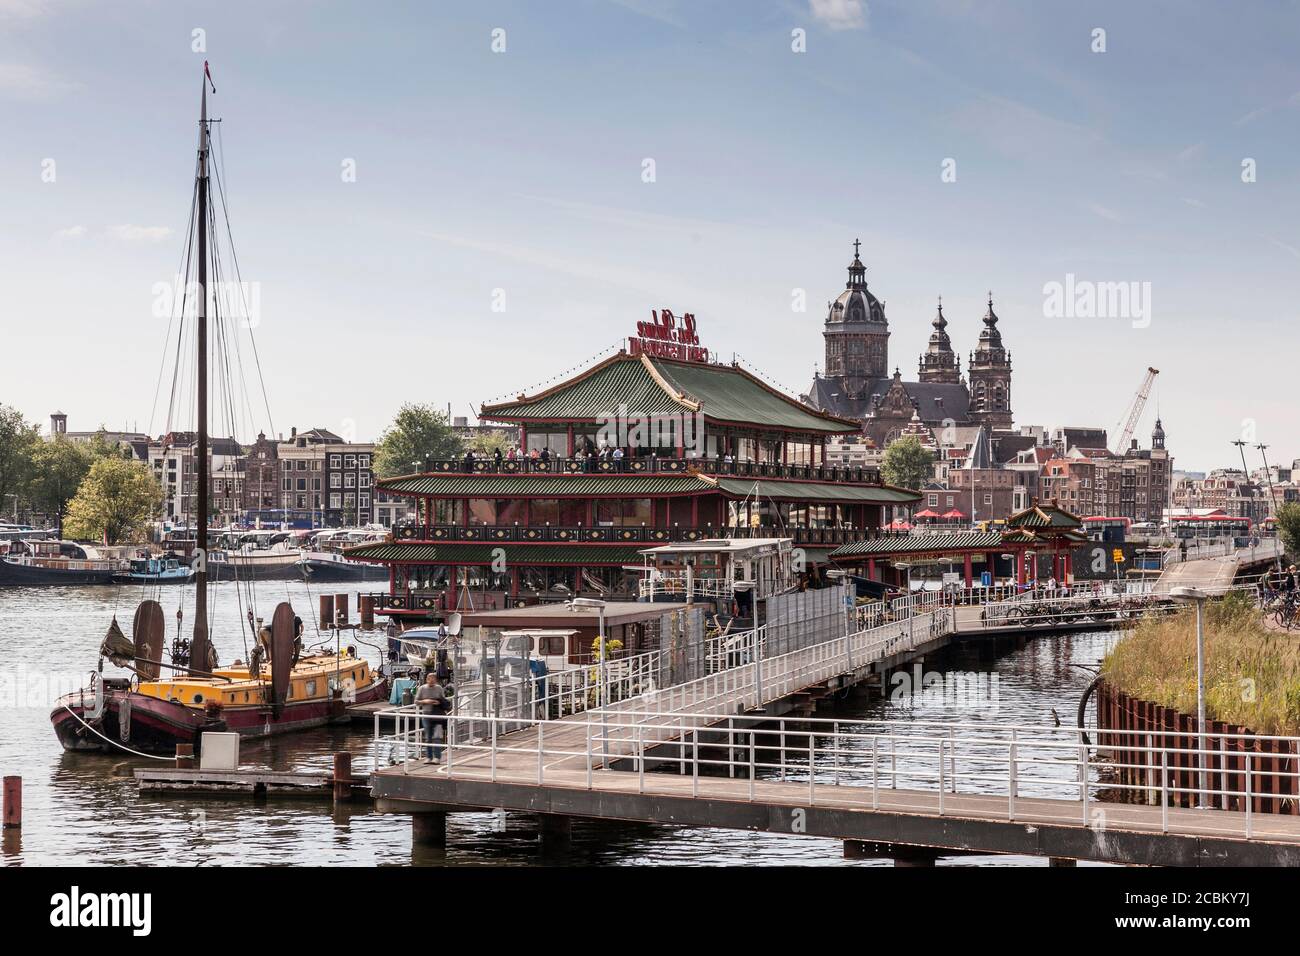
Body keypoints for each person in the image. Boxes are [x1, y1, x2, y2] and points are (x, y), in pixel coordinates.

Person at [415, 673, 447, 763]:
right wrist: (425, 701)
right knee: (428, 737)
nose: (431, 680)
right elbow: (416, 701)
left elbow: (443, 700)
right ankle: (428, 757)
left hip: (437, 715)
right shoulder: (422, 688)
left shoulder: (439, 688)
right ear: (427, 679)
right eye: (430, 679)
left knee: (437, 737)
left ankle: (437, 757)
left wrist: (438, 702)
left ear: (436, 680)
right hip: (426, 715)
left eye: (433, 679)